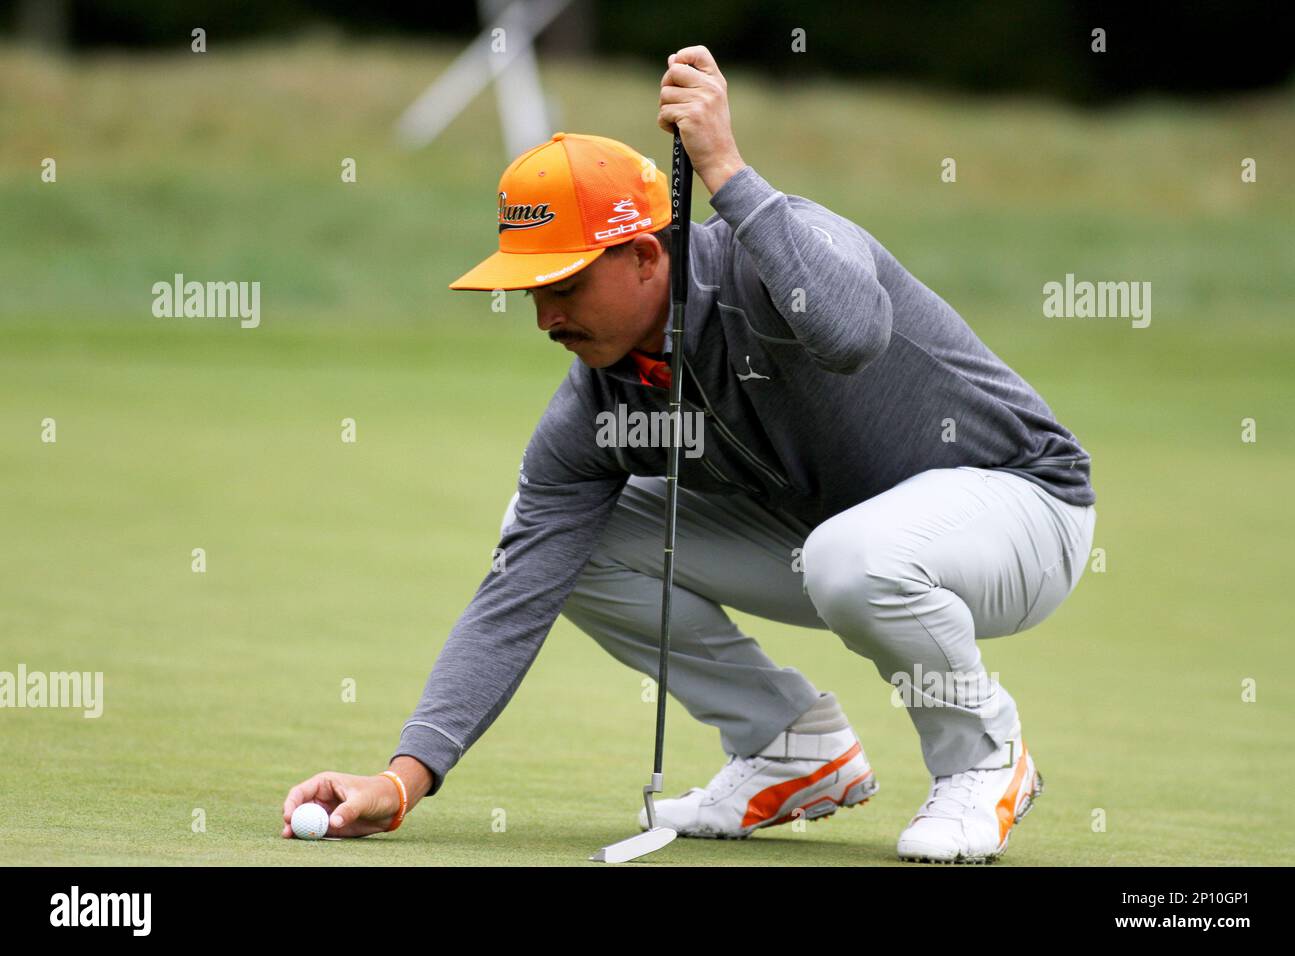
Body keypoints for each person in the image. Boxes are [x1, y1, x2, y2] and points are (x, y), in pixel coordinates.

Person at [282, 45, 1096, 863]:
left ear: (645, 256)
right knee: (569, 542)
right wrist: (402, 780)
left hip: (1024, 509)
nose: (545, 320)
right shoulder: (602, 398)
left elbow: (851, 335)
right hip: (836, 541)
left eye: (564, 287)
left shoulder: (773, 254)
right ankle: (791, 747)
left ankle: (983, 760)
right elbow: (520, 584)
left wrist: (729, 172)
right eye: (533, 293)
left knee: (853, 556)